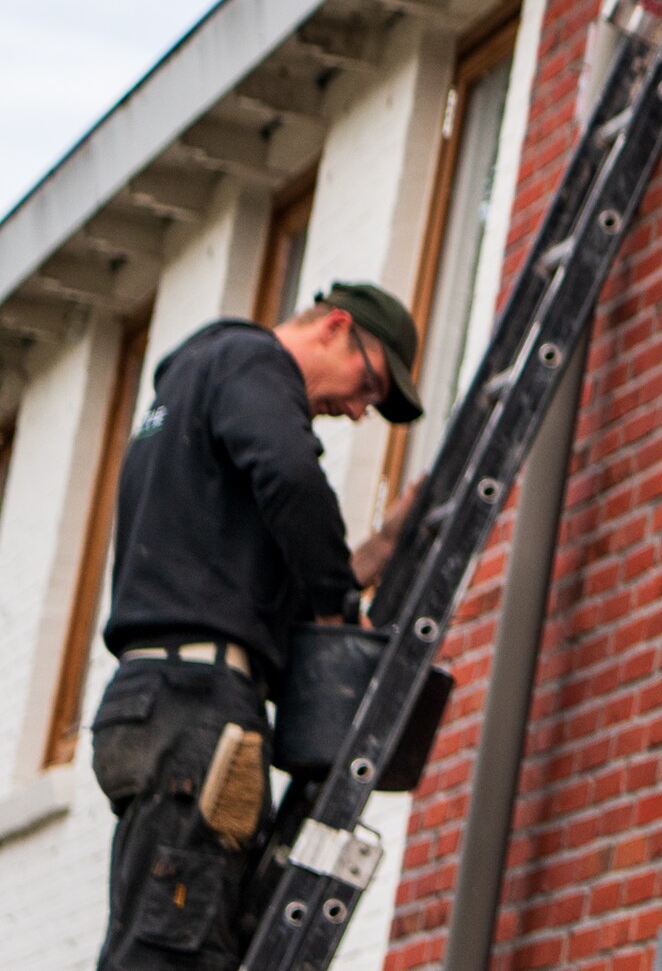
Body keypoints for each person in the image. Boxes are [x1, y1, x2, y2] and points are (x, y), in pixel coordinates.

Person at [90, 282, 426, 971]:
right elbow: (291, 479)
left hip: (159, 701)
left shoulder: (198, 389)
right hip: (195, 706)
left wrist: (378, 552)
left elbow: (257, 565)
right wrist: (339, 603)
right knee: (173, 954)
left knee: (180, 936)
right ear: (336, 328)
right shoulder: (251, 361)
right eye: (370, 384)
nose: (360, 411)